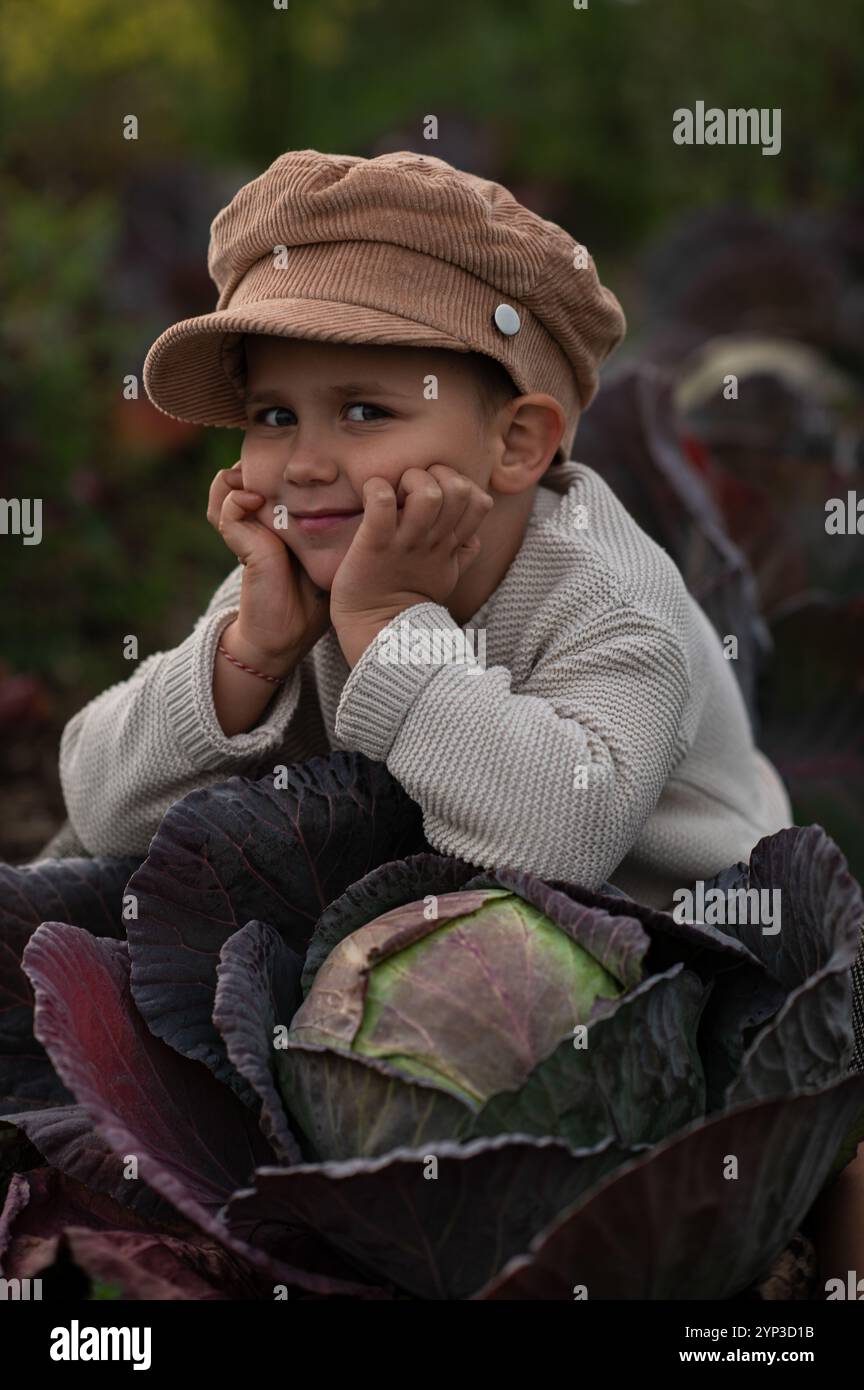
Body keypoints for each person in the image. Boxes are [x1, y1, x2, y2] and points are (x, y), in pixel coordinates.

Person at [56, 147, 793, 913]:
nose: (304, 464)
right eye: (275, 416)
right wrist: (248, 656)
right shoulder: (299, 577)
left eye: (365, 412)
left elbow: (562, 846)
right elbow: (98, 809)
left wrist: (388, 626)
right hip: (422, 924)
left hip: (690, 945)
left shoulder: (610, 600)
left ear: (516, 446)